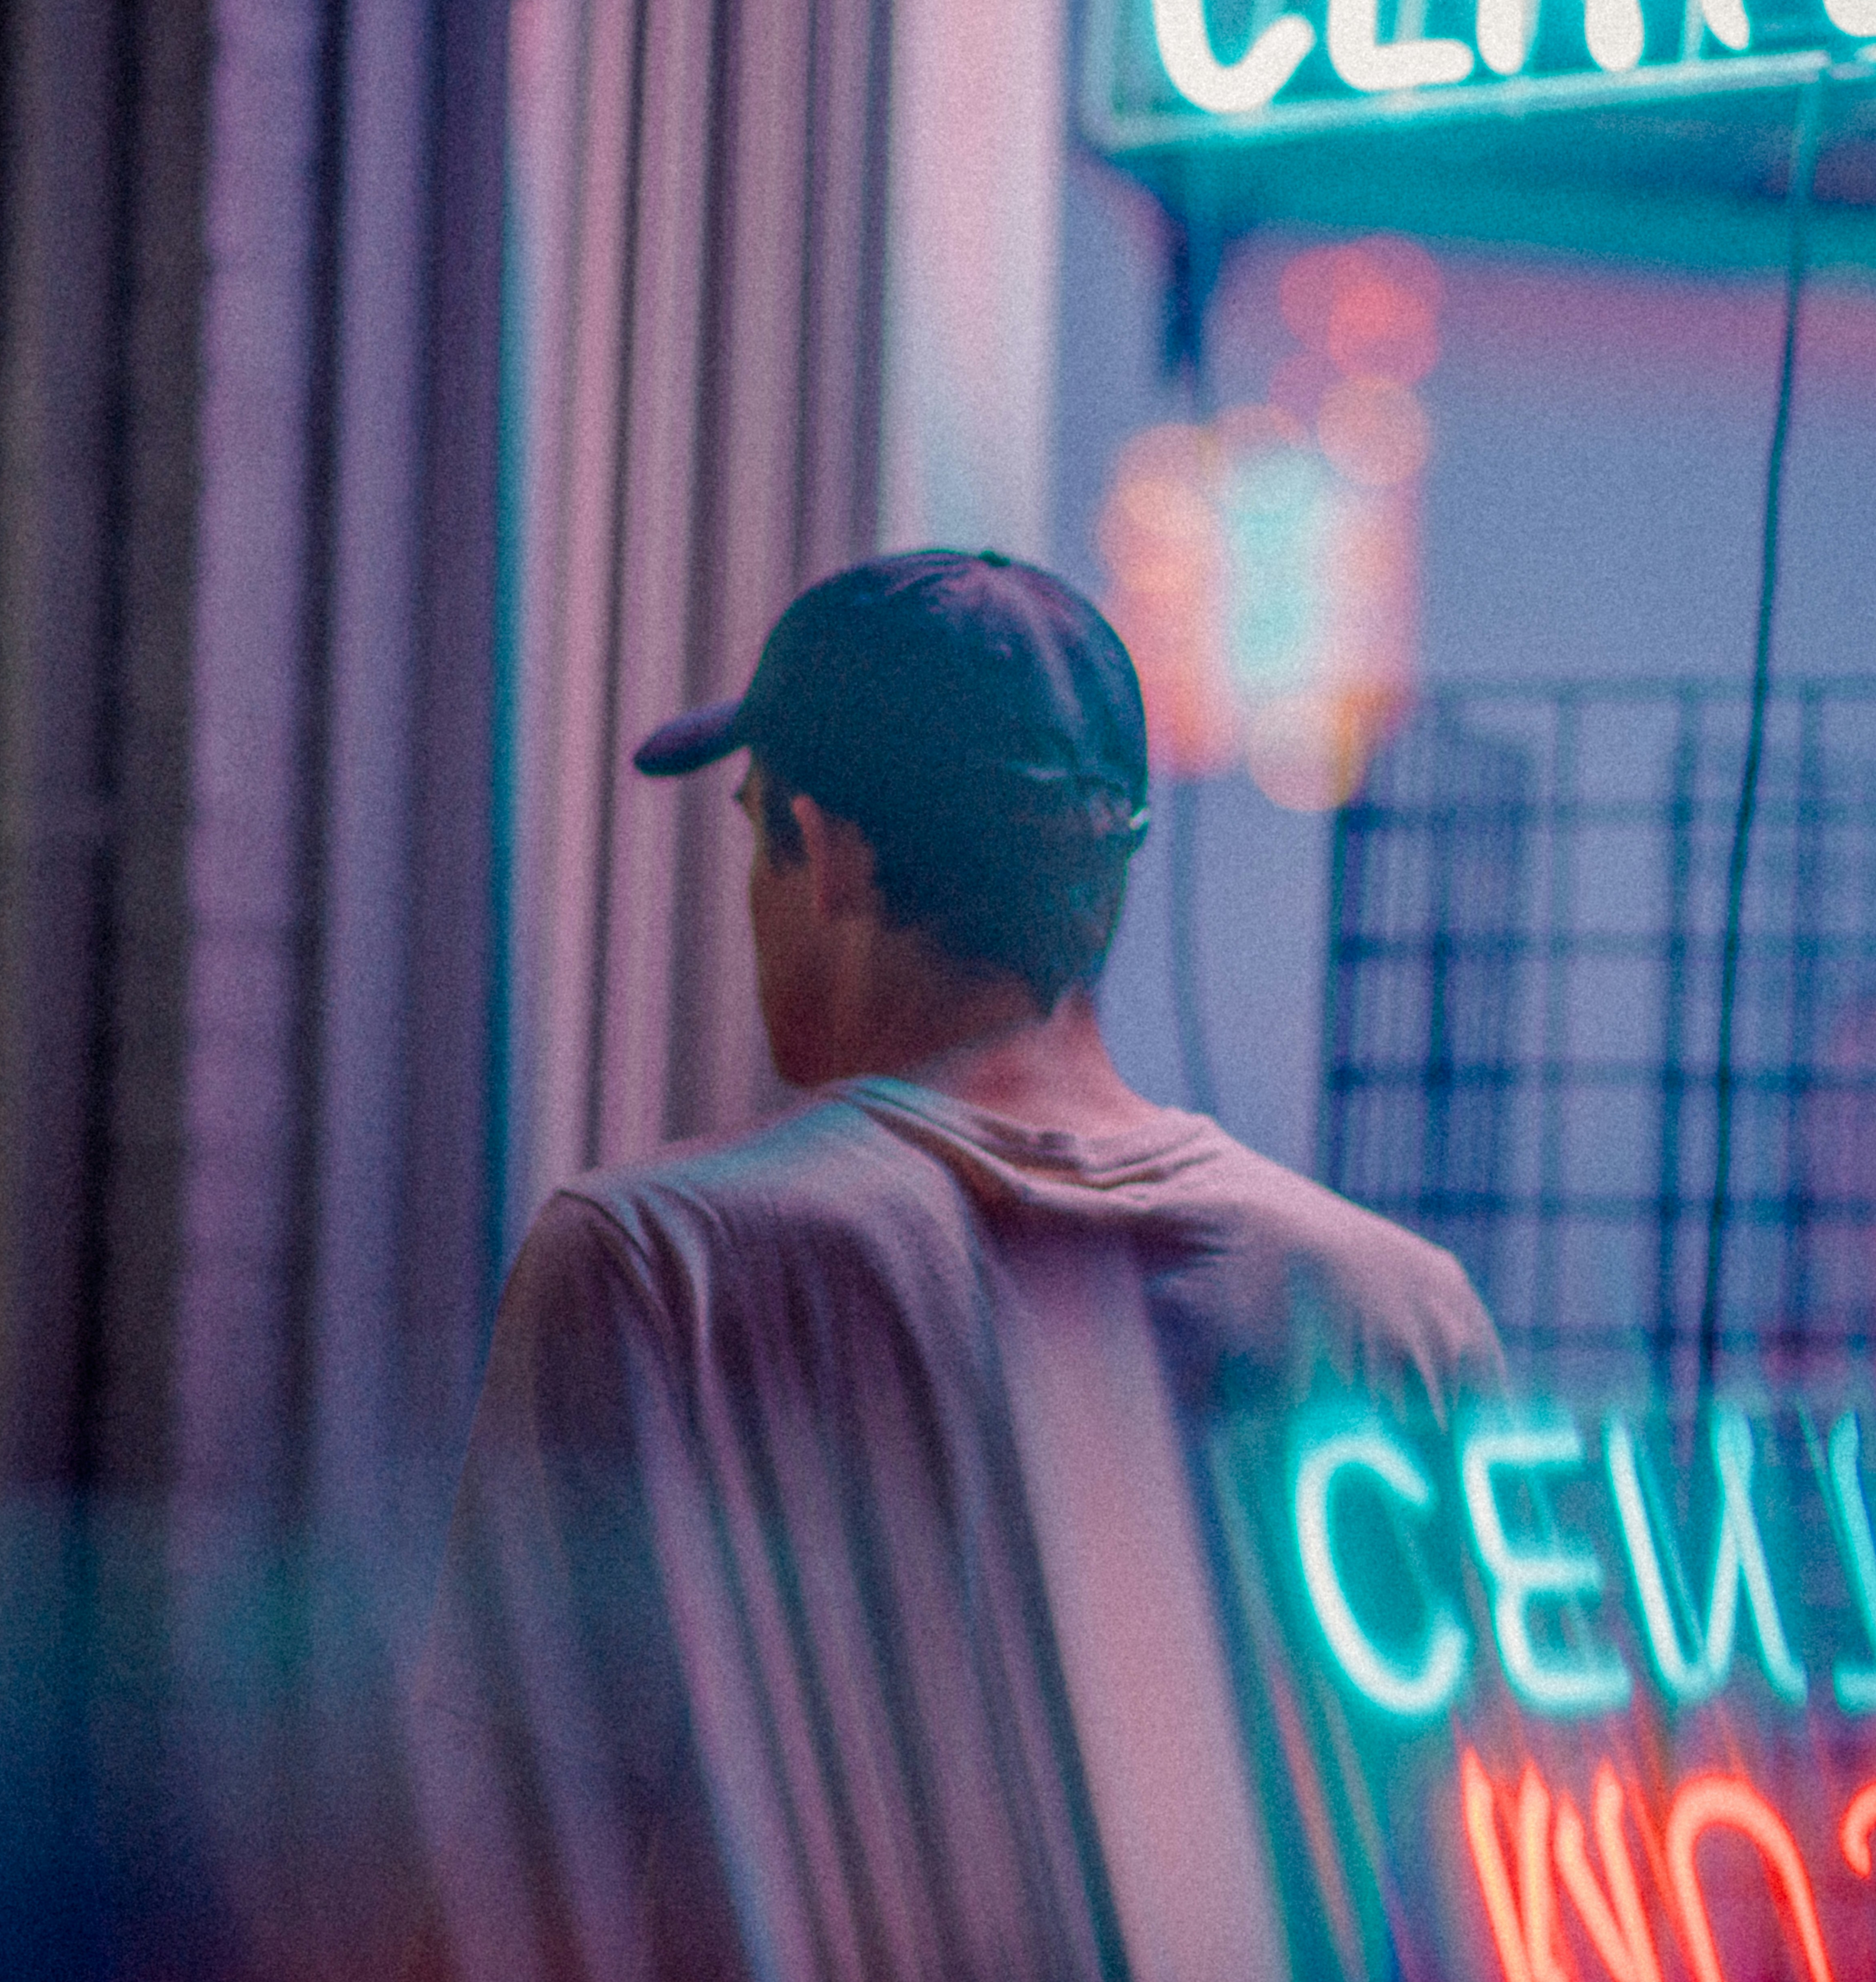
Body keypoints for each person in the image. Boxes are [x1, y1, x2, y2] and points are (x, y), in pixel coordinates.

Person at [411, 551, 1498, 1982]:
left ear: (834, 852)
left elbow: (509, 1875)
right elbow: (1450, 1871)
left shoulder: (656, 1269)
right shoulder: (1401, 1312)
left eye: (757, 833)